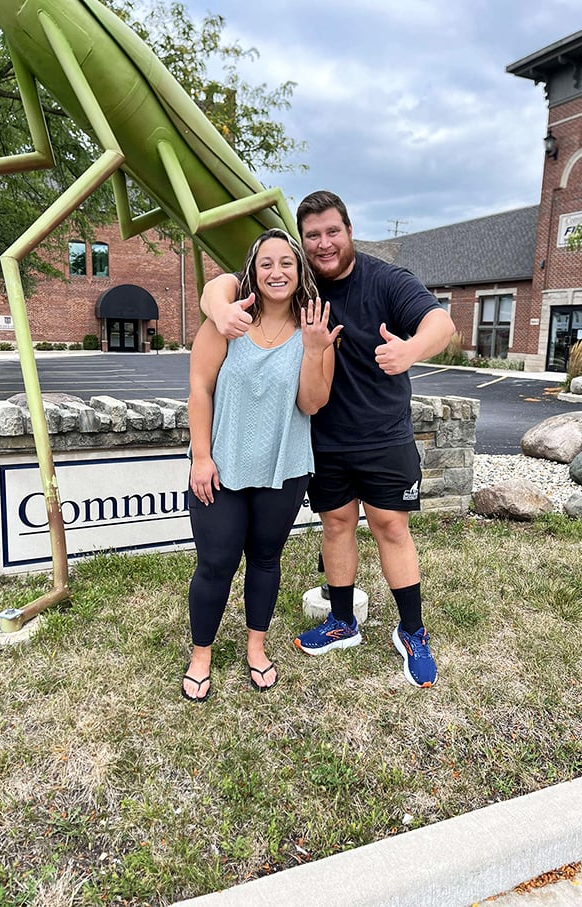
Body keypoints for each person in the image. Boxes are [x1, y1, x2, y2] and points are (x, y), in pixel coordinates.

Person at [200, 191, 456, 689]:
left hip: (383, 434)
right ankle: (342, 621)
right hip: (324, 438)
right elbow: (228, 282)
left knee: (390, 527)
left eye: (331, 231)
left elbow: (440, 321)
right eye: (312, 235)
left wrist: (411, 351)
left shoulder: (386, 280)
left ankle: (413, 632)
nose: (323, 243)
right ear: (302, 241)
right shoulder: (298, 279)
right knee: (337, 525)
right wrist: (216, 307)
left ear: (349, 230)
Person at [182, 227, 341, 702]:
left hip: (284, 469)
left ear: (300, 272)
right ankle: (201, 654)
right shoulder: (226, 322)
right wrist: (201, 457)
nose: (277, 271)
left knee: (266, 560)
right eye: (267, 262)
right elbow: (199, 389)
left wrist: (315, 351)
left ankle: (256, 647)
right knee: (215, 563)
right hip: (222, 468)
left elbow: (312, 404)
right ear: (252, 271)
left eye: (287, 263)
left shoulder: (313, 331)